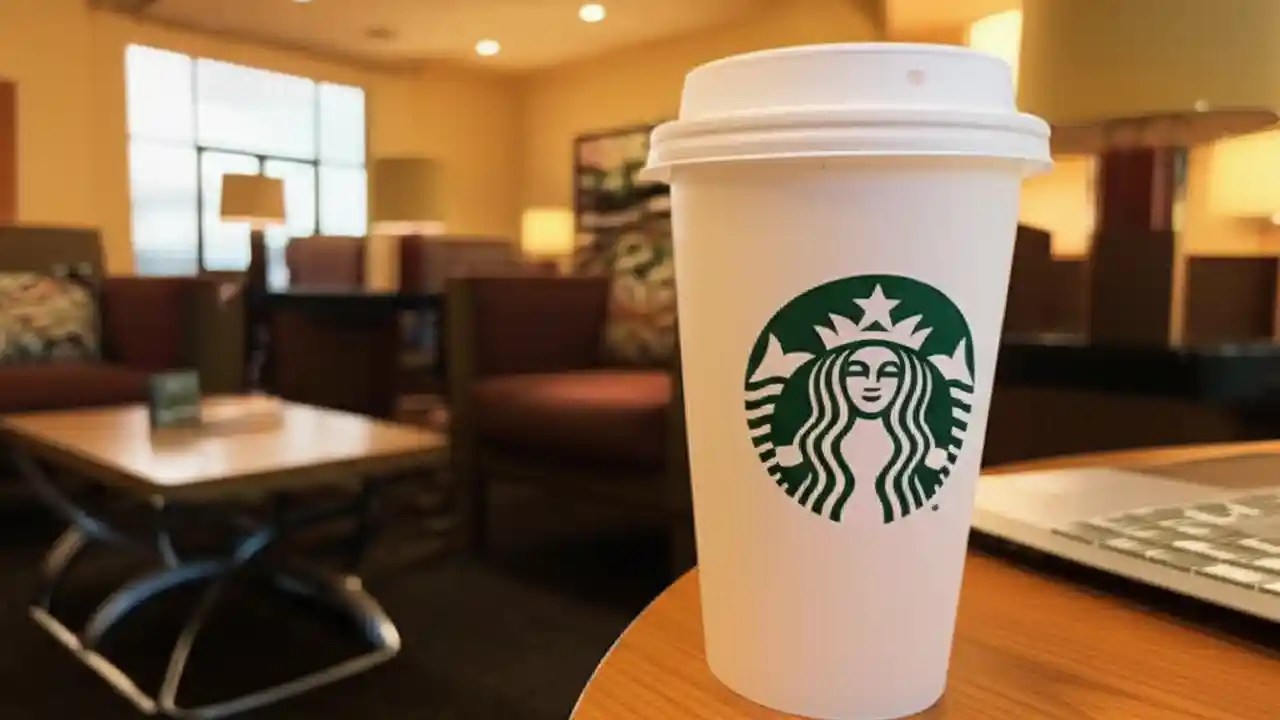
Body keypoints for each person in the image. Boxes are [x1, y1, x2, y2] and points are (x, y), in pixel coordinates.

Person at [773, 340, 948, 524]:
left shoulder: (923, 449)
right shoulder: (807, 445)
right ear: (837, 377)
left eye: (888, 372)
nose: (873, 382)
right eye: (857, 371)